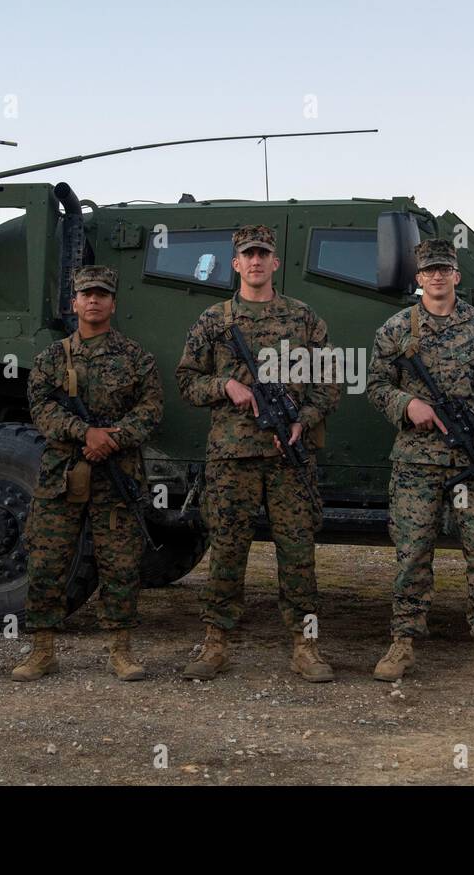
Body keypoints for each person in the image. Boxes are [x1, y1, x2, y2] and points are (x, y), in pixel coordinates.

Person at [175, 224, 340, 682]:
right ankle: (215, 644)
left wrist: (302, 419)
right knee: (226, 550)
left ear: (274, 263)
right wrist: (224, 385)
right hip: (232, 458)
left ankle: (306, 647)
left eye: (263, 254)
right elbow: (186, 379)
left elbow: (329, 382)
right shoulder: (215, 320)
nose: (255, 262)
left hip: (290, 455)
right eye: (247, 255)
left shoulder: (303, 318)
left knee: (298, 552)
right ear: (235, 264)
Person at [365, 238, 474, 685]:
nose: (437, 276)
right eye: (429, 270)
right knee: (412, 553)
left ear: (456, 276)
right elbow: (376, 384)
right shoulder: (396, 330)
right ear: (418, 279)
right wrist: (406, 406)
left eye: (444, 270)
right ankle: (403, 641)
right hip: (417, 460)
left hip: (473, 457)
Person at [11, 266, 164, 682]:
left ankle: (120, 650)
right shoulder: (50, 358)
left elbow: (151, 410)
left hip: (117, 474)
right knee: (46, 560)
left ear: (113, 303)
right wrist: (86, 433)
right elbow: (41, 409)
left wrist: (113, 438)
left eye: (102, 294)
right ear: (74, 303)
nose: (93, 300)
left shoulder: (136, 358)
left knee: (121, 564)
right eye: (86, 294)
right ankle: (42, 649)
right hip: (62, 474)